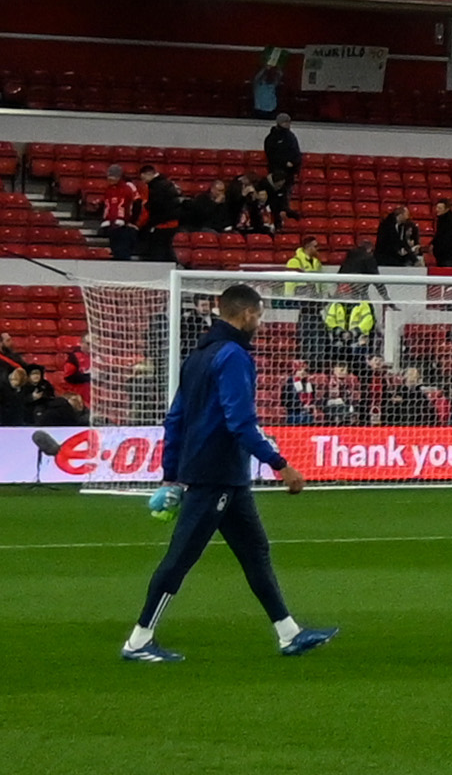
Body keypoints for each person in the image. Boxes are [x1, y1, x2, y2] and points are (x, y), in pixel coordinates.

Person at [120, 283, 332, 664]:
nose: (260, 323)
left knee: (255, 553)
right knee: (181, 557)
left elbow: (175, 418)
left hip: (223, 477)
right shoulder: (233, 357)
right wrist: (280, 464)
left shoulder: (199, 356)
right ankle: (138, 640)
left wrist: (171, 474)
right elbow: (240, 422)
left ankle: (289, 633)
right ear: (247, 313)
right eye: (259, 316)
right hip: (216, 473)